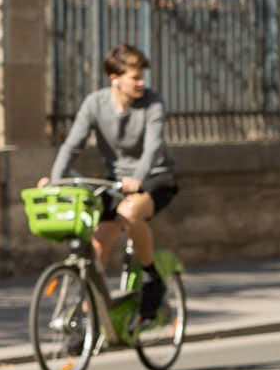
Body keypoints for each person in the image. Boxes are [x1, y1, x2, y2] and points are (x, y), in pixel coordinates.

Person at [38, 44, 178, 319]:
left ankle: (151, 276)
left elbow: (152, 148)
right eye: (134, 77)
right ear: (114, 78)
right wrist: (55, 180)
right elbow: (71, 146)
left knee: (129, 211)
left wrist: (137, 180)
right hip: (116, 180)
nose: (141, 83)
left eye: (142, 77)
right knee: (95, 247)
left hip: (155, 176)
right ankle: (90, 317)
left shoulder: (153, 104)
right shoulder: (95, 104)